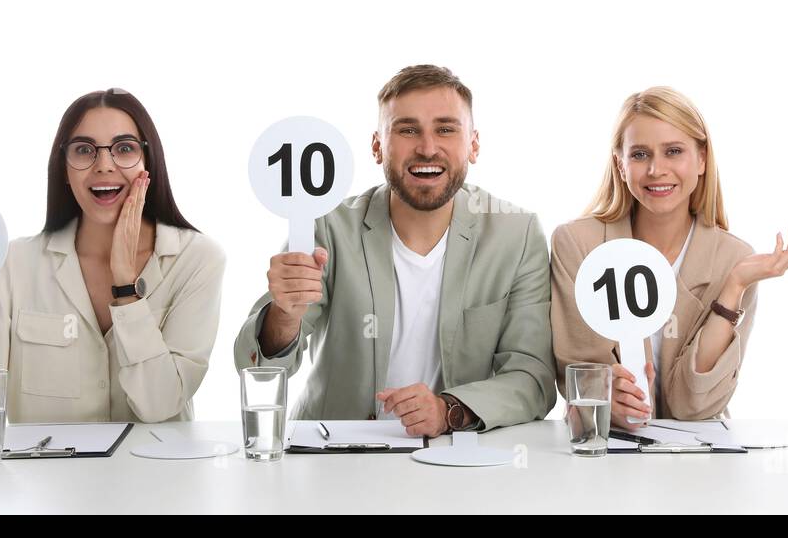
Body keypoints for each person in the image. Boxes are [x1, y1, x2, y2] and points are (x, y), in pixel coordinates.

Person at [234, 65, 555, 436]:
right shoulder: (325, 226)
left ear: (474, 144)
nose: (427, 147)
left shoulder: (516, 234)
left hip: (459, 460)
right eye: (407, 130)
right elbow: (255, 368)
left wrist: (448, 410)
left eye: (446, 129)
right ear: (377, 146)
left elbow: (533, 378)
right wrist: (284, 314)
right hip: (333, 455)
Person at [0, 88, 225, 428]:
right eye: (84, 150)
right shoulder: (16, 263)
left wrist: (125, 287)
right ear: (64, 169)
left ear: (148, 163)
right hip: (45, 478)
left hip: (157, 478)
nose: (104, 165)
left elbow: (160, 405)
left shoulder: (198, 259)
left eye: (124, 148)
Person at [551, 86, 788, 428]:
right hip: (606, 448)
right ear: (620, 163)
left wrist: (734, 287)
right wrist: (600, 391)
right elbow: (575, 369)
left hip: (696, 460)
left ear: (702, 159)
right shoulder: (577, 244)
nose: (657, 169)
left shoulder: (734, 260)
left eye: (673, 151)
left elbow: (694, 406)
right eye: (640, 154)